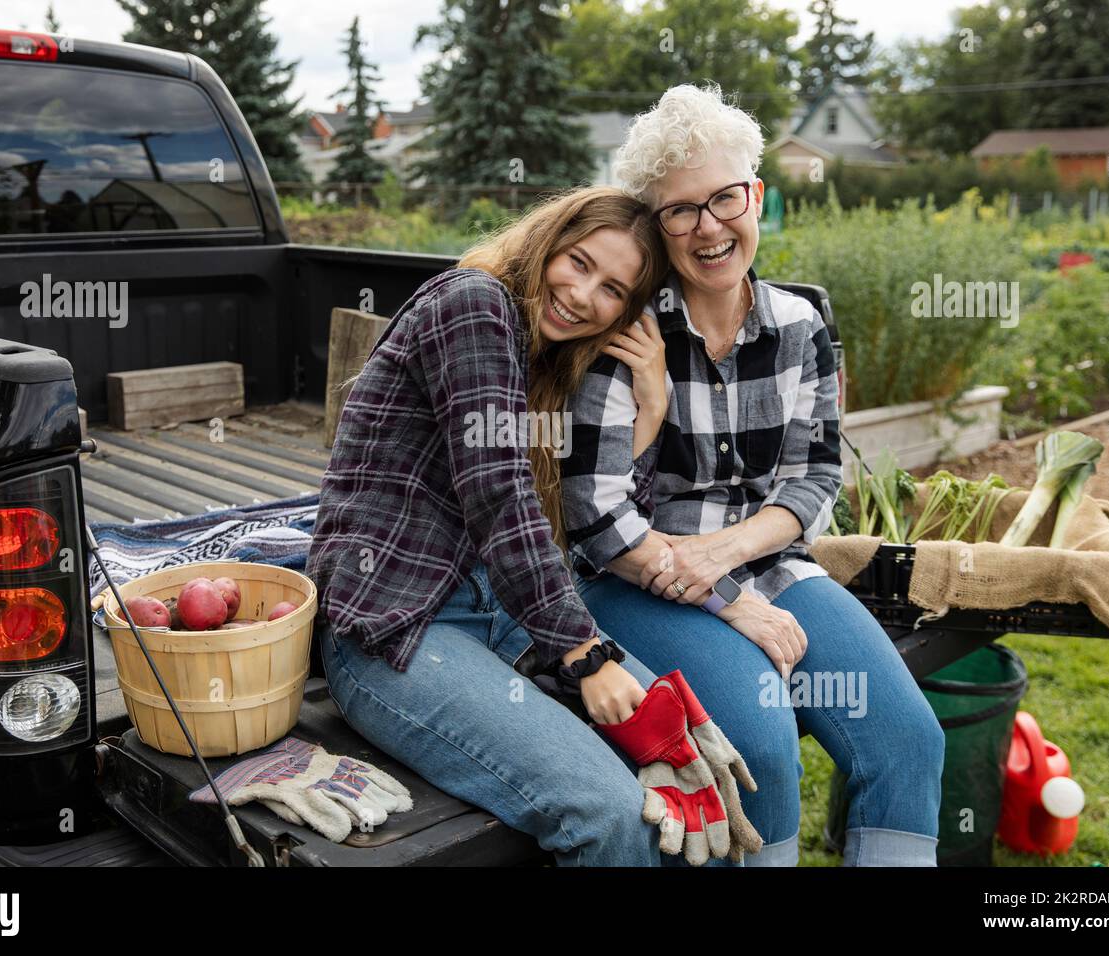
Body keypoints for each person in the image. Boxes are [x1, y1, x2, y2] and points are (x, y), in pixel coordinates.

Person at [562, 85, 946, 867]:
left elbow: (813, 479)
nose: (709, 227)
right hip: (635, 581)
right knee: (764, 748)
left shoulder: (800, 327)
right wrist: (721, 594)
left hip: (763, 563)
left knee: (909, 738)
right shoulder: (626, 339)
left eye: (724, 198)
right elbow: (596, 517)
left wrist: (725, 555)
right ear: (657, 227)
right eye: (680, 210)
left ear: (757, 196)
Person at [308, 187, 681, 866]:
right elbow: (498, 493)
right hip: (398, 626)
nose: (582, 294)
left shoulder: (549, 358)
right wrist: (582, 654)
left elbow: (591, 520)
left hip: (501, 608)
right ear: (548, 242)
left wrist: (650, 406)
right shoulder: (473, 304)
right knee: (610, 812)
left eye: (612, 290)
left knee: (676, 754)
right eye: (578, 262)